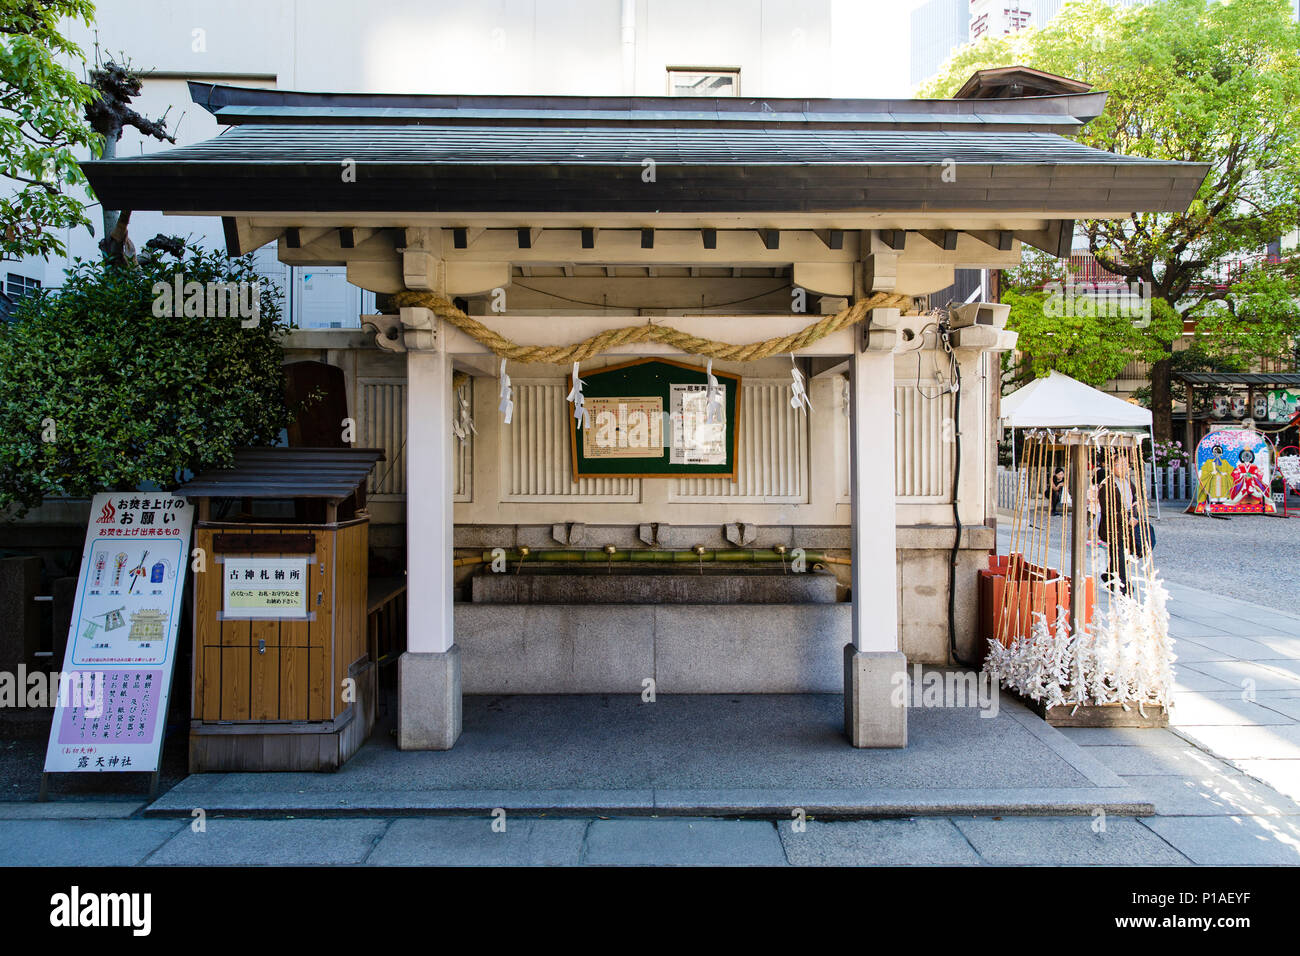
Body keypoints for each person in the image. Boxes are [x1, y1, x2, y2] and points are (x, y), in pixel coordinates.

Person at [1096, 454, 1142, 594]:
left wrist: (1134, 516)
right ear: (1112, 467)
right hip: (1114, 525)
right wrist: (1125, 518)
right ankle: (1122, 584)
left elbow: (1135, 502)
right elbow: (1107, 510)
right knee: (1119, 553)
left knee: (1144, 543)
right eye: (1119, 464)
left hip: (1129, 521)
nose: (1123, 468)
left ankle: (1109, 573)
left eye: (1125, 464)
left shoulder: (1129, 483)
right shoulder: (1107, 485)